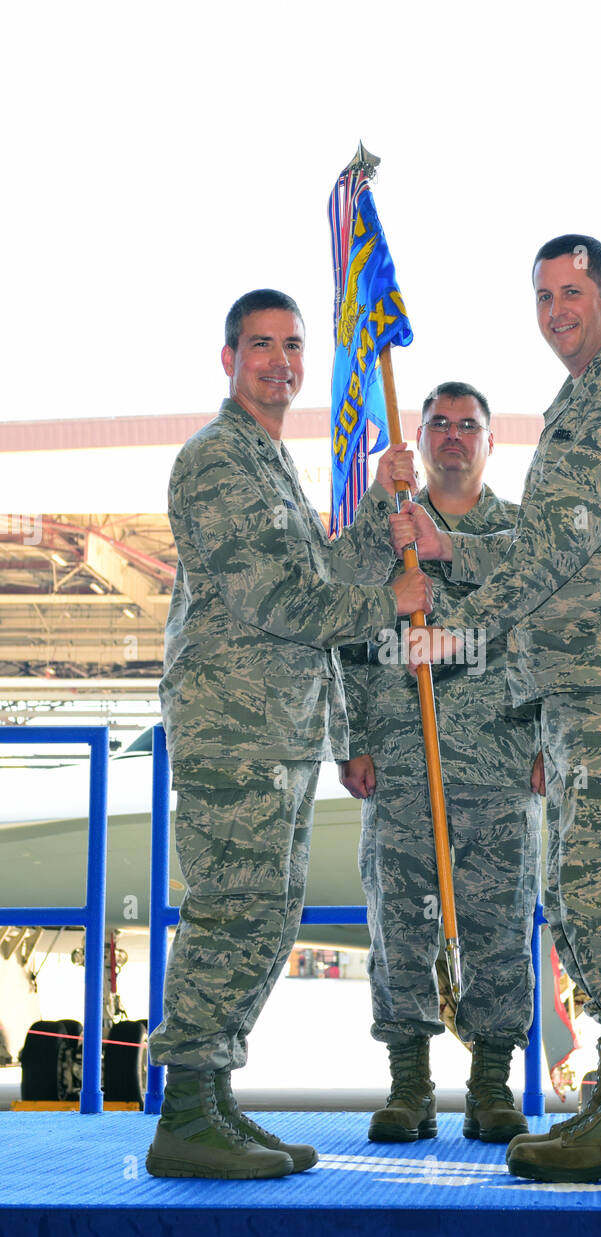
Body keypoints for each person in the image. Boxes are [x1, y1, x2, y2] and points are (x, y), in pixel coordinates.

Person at [393, 237, 601, 1183]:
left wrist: (454, 624)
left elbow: (554, 553)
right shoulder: (579, 401)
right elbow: (548, 542)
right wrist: (447, 551)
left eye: (572, 292)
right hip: (581, 689)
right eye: (543, 295)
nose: (556, 309)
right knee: (578, 891)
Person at [146, 289, 432, 1179]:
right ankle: (185, 1112)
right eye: (261, 345)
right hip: (232, 729)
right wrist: (387, 600)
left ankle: (214, 1099)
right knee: (234, 909)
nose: (281, 362)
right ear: (227, 358)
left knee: (268, 912)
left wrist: (385, 525)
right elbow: (271, 599)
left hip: (278, 731)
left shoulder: (269, 463)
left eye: (293, 346)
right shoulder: (216, 461)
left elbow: (314, 576)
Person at [338, 383, 543, 1144]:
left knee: (497, 918)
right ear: (418, 440)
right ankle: (408, 1085)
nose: (453, 437)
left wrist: (543, 744)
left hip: (497, 762)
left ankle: (491, 1084)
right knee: (400, 921)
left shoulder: (521, 538)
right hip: (399, 761)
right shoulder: (386, 528)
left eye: (468, 426)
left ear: (491, 442)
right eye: (439, 426)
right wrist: (351, 739)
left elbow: (543, 644)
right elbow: (351, 640)